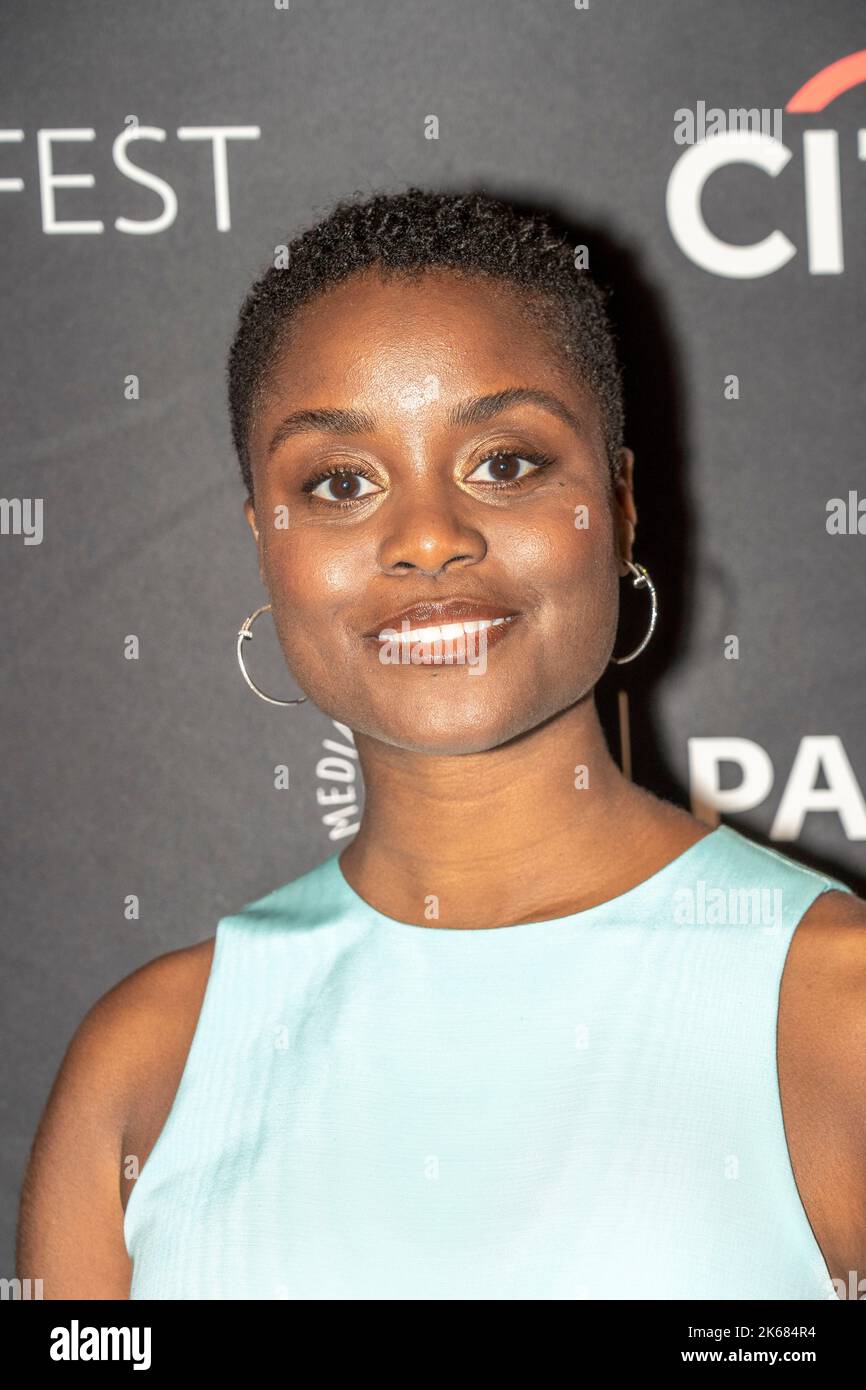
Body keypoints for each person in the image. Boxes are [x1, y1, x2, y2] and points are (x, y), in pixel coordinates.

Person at [16, 188, 866, 1300]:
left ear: (615, 502)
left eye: (504, 463)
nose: (425, 537)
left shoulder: (836, 1009)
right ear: (265, 546)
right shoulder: (145, 1064)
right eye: (337, 482)